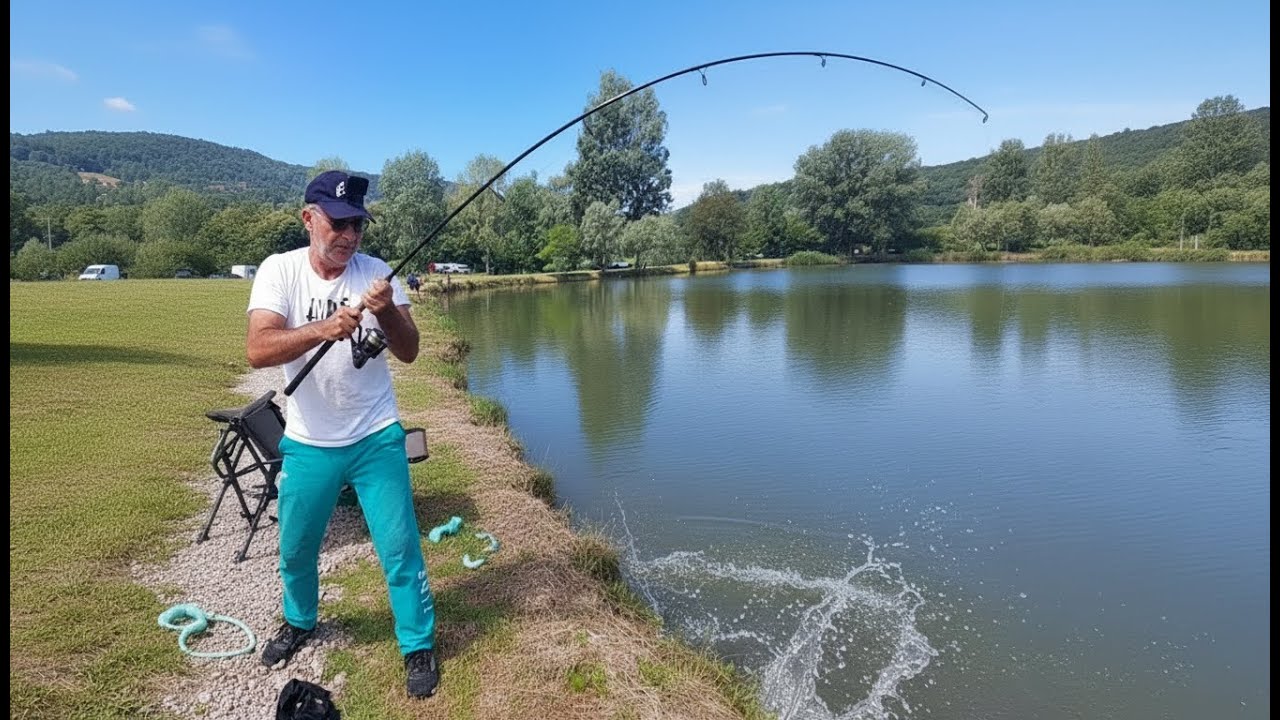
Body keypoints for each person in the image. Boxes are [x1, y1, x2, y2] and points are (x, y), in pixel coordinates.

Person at [245, 170, 439, 699]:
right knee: (296, 548)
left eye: (357, 224)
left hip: (376, 435)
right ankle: (299, 620)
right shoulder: (280, 270)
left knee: (400, 548)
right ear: (309, 218)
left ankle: (417, 644)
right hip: (309, 441)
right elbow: (258, 349)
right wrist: (323, 328)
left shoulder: (376, 272)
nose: (350, 235)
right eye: (339, 223)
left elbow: (409, 350)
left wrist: (387, 312)